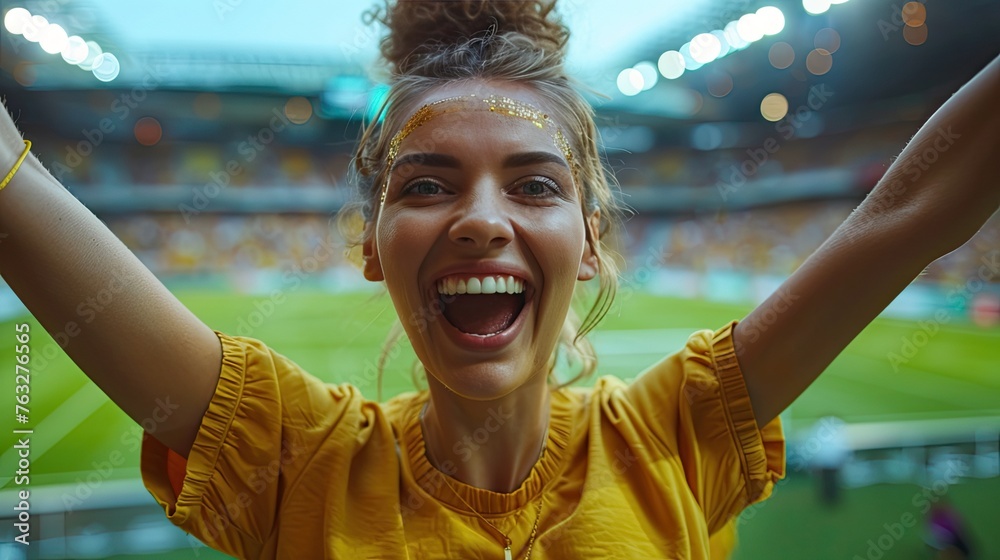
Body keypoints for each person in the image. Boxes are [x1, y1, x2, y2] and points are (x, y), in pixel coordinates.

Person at [0, 1, 997, 558]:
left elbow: (907, 213)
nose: (481, 219)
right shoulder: (294, 462)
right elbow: (16, 198)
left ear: (591, 241)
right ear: (370, 243)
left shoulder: (678, 433)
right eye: (426, 184)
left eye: (534, 184)